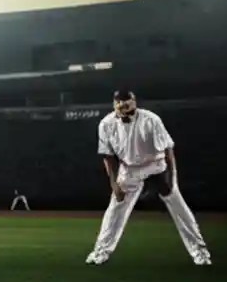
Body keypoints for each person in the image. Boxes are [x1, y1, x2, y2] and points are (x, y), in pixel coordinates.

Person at [86, 89, 212, 266]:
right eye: (118, 102)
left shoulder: (151, 119)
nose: (122, 105)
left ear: (134, 101)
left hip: (155, 165)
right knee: (115, 208)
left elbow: (168, 149)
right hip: (128, 169)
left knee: (178, 205)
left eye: (127, 101)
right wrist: (114, 184)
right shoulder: (105, 124)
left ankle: (200, 252)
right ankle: (101, 252)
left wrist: (172, 178)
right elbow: (108, 156)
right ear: (114, 104)